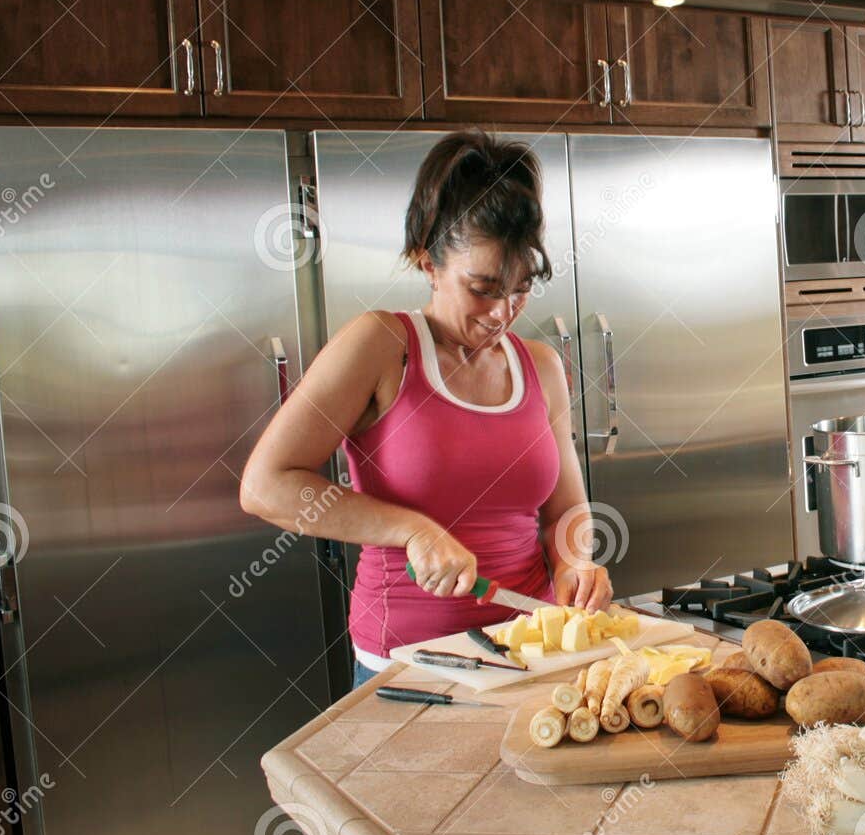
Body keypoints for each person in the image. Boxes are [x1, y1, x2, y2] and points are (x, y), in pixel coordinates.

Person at [240, 130, 613, 688]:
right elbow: (265, 486)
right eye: (483, 288)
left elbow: (567, 512)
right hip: (412, 662)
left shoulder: (541, 366)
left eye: (520, 289)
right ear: (428, 262)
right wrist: (411, 530)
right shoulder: (380, 346)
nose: (501, 313)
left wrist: (574, 562)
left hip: (534, 651)